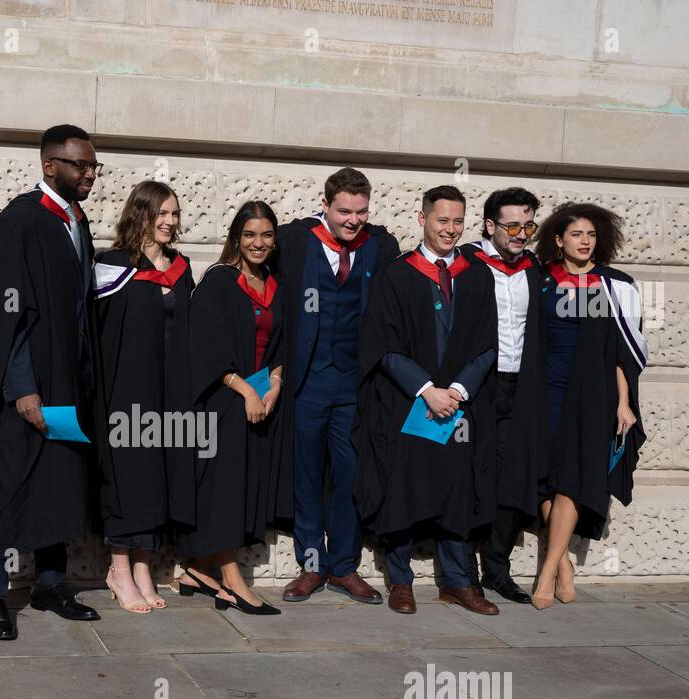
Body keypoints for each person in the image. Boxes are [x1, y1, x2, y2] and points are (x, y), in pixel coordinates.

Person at [0, 124, 103, 640]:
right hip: (23, 389)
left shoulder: (75, 222)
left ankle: (49, 584)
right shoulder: (17, 223)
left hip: (67, 382)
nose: (89, 174)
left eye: (93, 166)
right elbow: (8, 314)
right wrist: (23, 388)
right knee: (7, 487)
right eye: (79, 165)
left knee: (58, 486)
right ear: (50, 165)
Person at [354, 184, 500, 616]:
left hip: (458, 406)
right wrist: (426, 389)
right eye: (442, 220)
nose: (450, 229)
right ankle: (401, 581)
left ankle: (457, 581)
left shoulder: (476, 276)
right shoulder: (396, 275)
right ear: (422, 219)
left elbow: (489, 344)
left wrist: (457, 391)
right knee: (403, 487)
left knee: (457, 489)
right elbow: (381, 346)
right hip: (408, 403)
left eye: (458, 221)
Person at [276, 168, 401, 605]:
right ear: (325, 205)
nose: (353, 220)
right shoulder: (294, 240)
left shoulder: (381, 246)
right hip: (307, 380)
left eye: (361, 211)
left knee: (349, 473)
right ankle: (312, 565)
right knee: (307, 474)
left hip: (355, 383)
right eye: (344, 211)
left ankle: (344, 567)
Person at [174, 201, 290, 616]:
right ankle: (233, 580)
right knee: (223, 491)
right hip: (224, 401)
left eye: (266, 235)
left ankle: (195, 570)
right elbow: (205, 347)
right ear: (236, 238)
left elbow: (282, 345)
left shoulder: (275, 284)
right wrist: (245, 391)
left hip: (261, 400)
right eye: (249, 235)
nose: (258, 243)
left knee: (243, 488)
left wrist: (274, 384)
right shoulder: (219, 282)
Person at [531, 202, 648, 609]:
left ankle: (546, 573)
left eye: (591, 235)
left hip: (593, 395)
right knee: (544, 477)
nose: (585, 241)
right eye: (576, 234)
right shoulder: (542, 279)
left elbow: (623, 353)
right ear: (558, 240)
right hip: (545, 389)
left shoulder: (614, 284)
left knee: (573, 479)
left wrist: (624, 403)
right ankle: (564, 563)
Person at [90, 180, 195, 613]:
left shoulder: (181, 267)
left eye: (174, 214)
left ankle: (143, 567)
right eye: (162, 214)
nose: (170, 222)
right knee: (128, 477)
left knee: (159, 478)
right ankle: (118, 567)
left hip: (170, 392)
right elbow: (93, 335)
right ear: (141, 215)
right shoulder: (111, 266)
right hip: (125, 389)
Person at [458, 187, 549, 605]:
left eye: (528, 225)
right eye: (512, 225)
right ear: (490, 225)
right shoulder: (465, 265)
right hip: (478, 387)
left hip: (521, 386)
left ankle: (497, 568)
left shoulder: (536, 270)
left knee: (514, 477)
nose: (521, 234)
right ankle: (461, 574)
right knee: (469, 473)